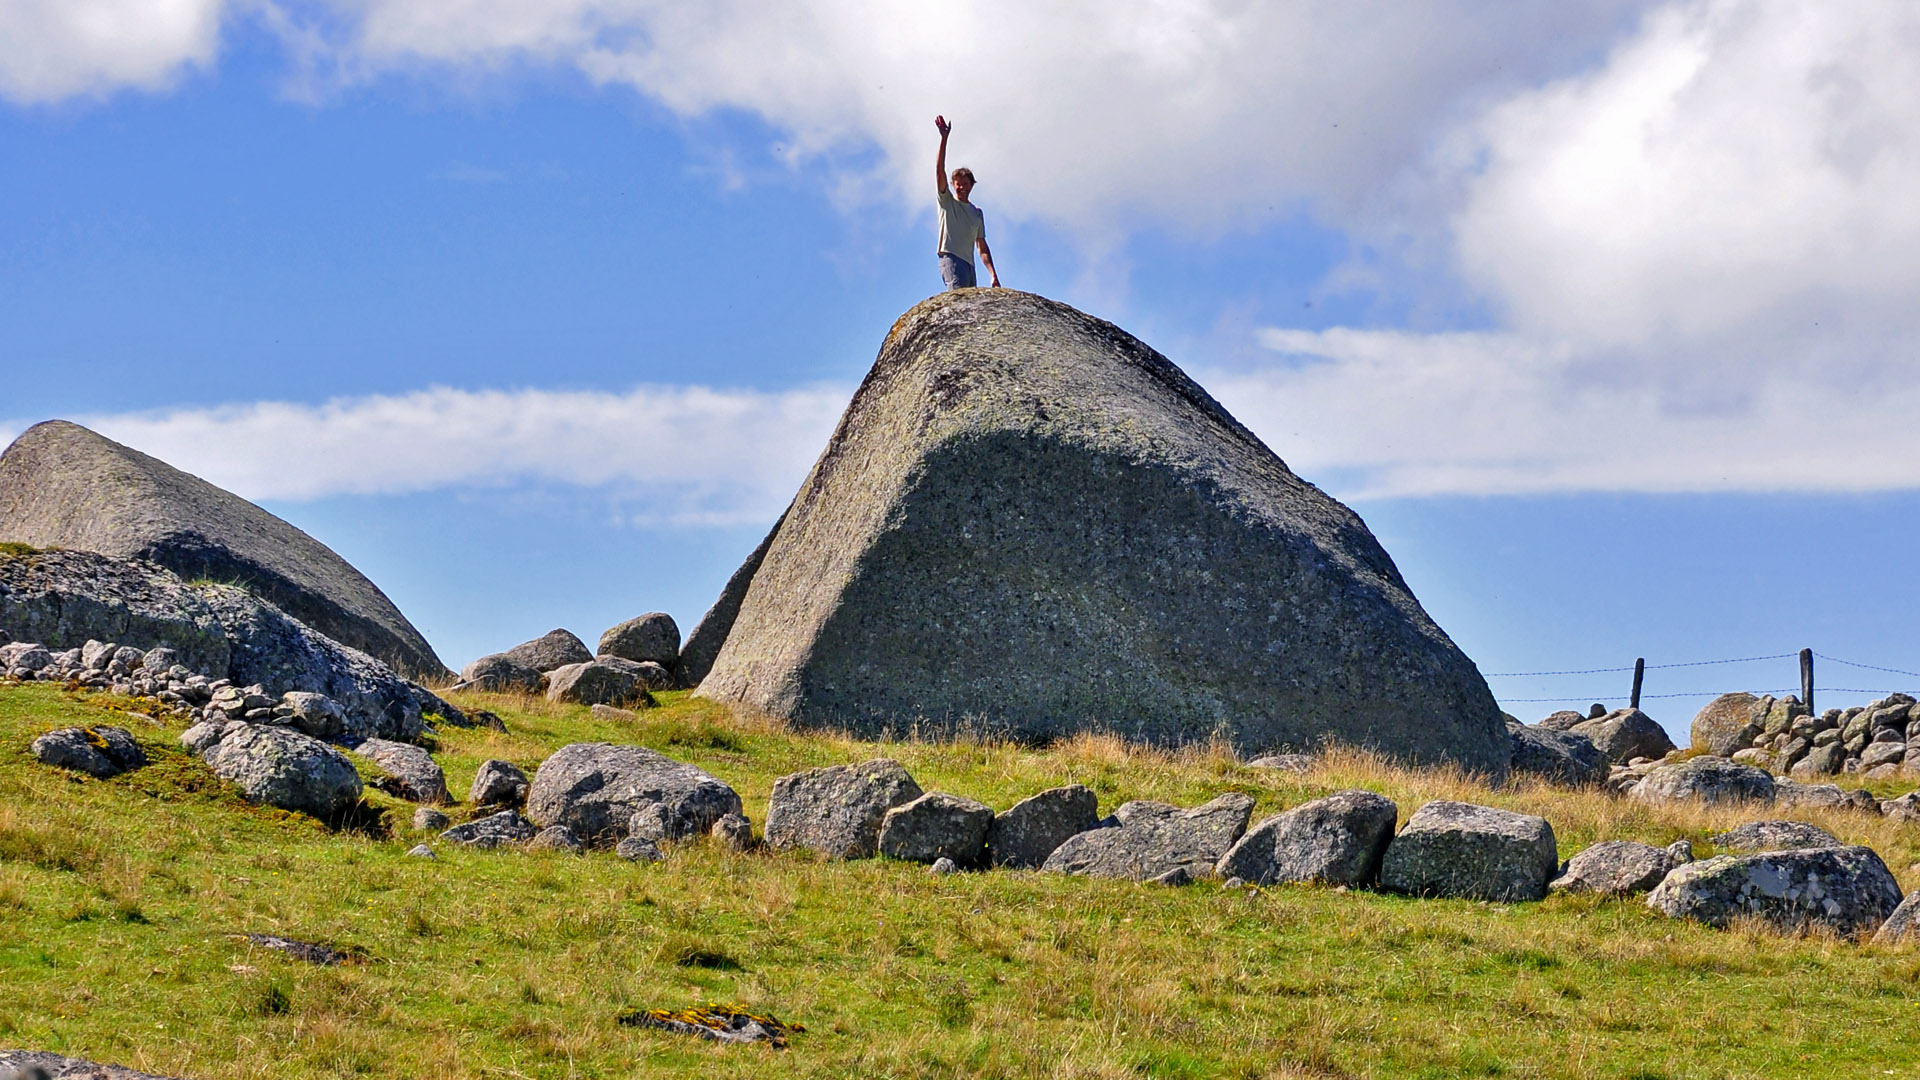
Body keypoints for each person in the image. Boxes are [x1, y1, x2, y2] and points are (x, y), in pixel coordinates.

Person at [933, 115, 1000, 291]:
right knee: (959, 300)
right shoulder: (947, 202)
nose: (961, 187)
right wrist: (944, 138)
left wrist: (993, 274)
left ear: (971, 185)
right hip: (950, 258)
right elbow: (939, 171)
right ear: (953, 185)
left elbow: (982, 247)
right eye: (958, 184)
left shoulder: (976, 213)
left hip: (969, 266)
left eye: (965, 184)